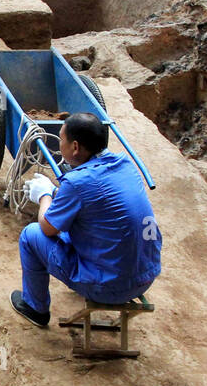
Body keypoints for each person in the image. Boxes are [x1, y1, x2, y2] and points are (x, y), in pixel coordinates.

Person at [10, 113, 162, 326]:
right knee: (85, 226)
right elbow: (96, 202)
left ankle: (35, 308)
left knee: (30, 235)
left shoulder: (76, 183)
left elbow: (48, 228)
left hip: (110, 289)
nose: (59, 143)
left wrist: (44, 195)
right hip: (146, 276)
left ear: (75, 147)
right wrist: (56, 193)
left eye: (61, 139)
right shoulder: (125, 165)